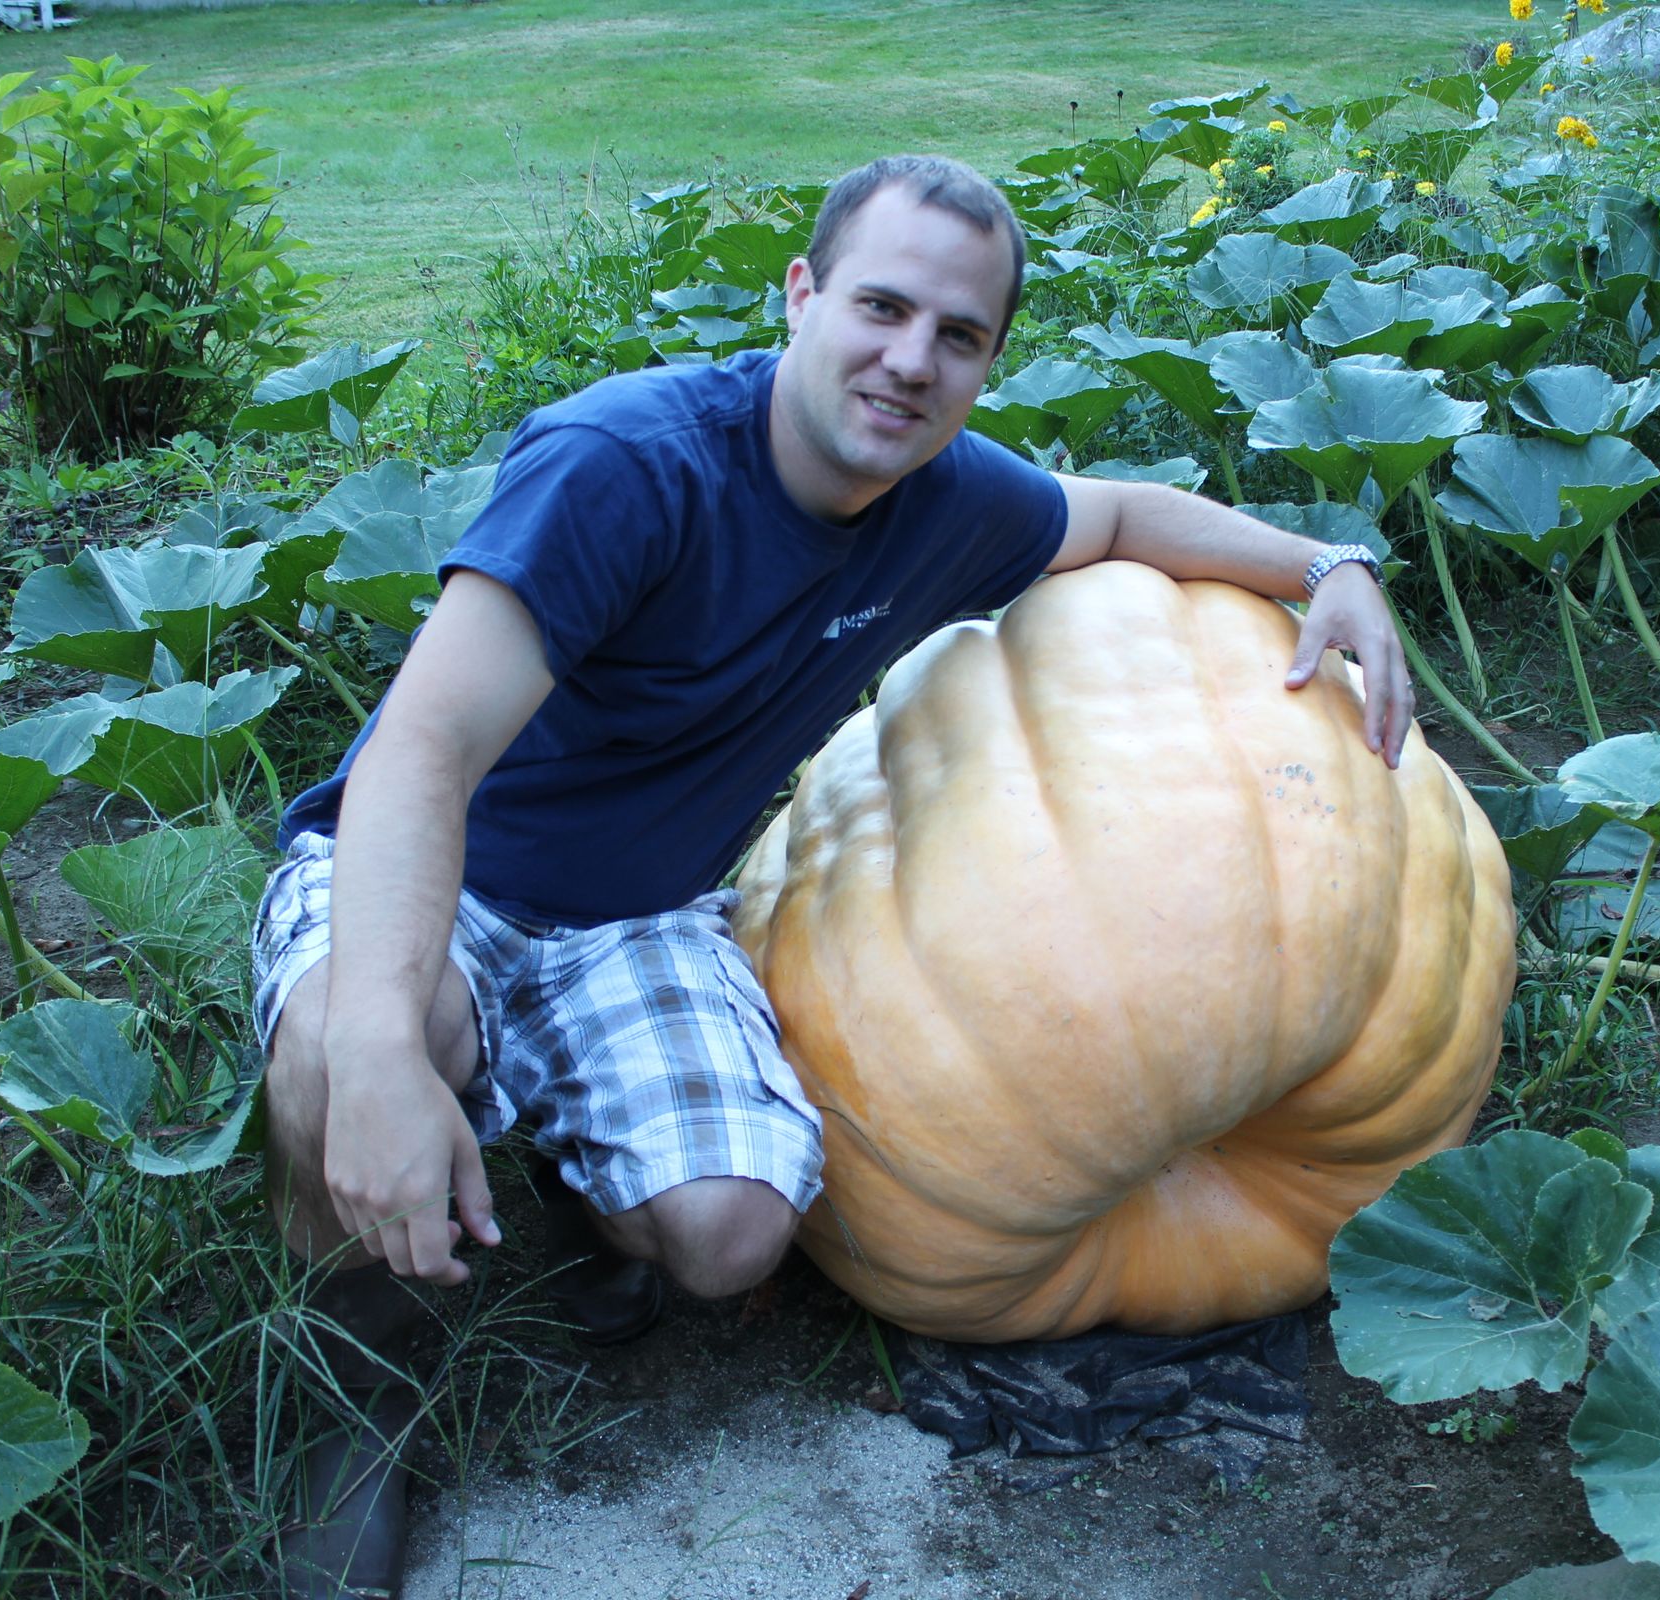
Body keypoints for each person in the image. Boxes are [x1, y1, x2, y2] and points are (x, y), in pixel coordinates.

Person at [255, 153, 1412, 1597]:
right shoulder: (626, 467)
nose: (909, 360)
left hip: (639, 917)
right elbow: (418, 755)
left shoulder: (946, 501)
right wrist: (372, 1039)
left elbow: (1114, 517)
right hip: (436, 871)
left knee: (733, 1236)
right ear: (798, 294)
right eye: (882, 306)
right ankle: (354, 1396)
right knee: (371, 1039)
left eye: (960, 336)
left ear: (989, 361)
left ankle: (555, 1162)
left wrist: (1331, 565)